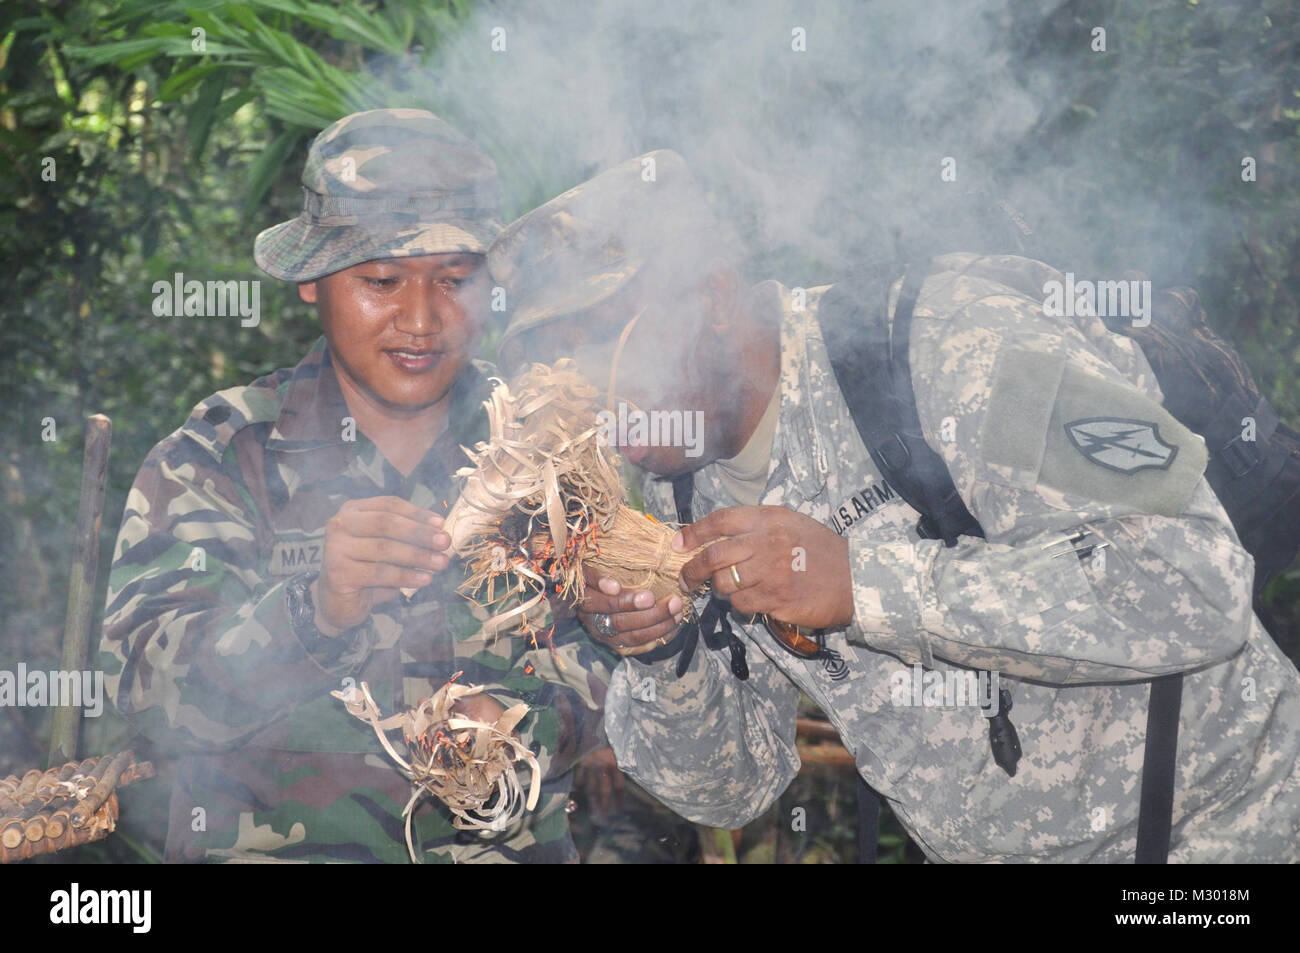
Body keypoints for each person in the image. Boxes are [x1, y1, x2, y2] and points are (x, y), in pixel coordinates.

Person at [487, 149, 1300, 862]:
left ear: (718, 297)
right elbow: (732, 788)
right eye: (564, 375)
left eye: (618, 350)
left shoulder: (963, 339)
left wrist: (866, 586)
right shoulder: (677, 482)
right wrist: (662, 654)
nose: (602, 404)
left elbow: (1197, 579)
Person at [101, 109, 613, 863]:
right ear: (311, 280)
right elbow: (149, 701)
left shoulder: (547, 448)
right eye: (380, 280)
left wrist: (512, 729)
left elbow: (613, 663)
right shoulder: (220, 455)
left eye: (454, 279)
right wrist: (312, 612)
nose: (420, 318)